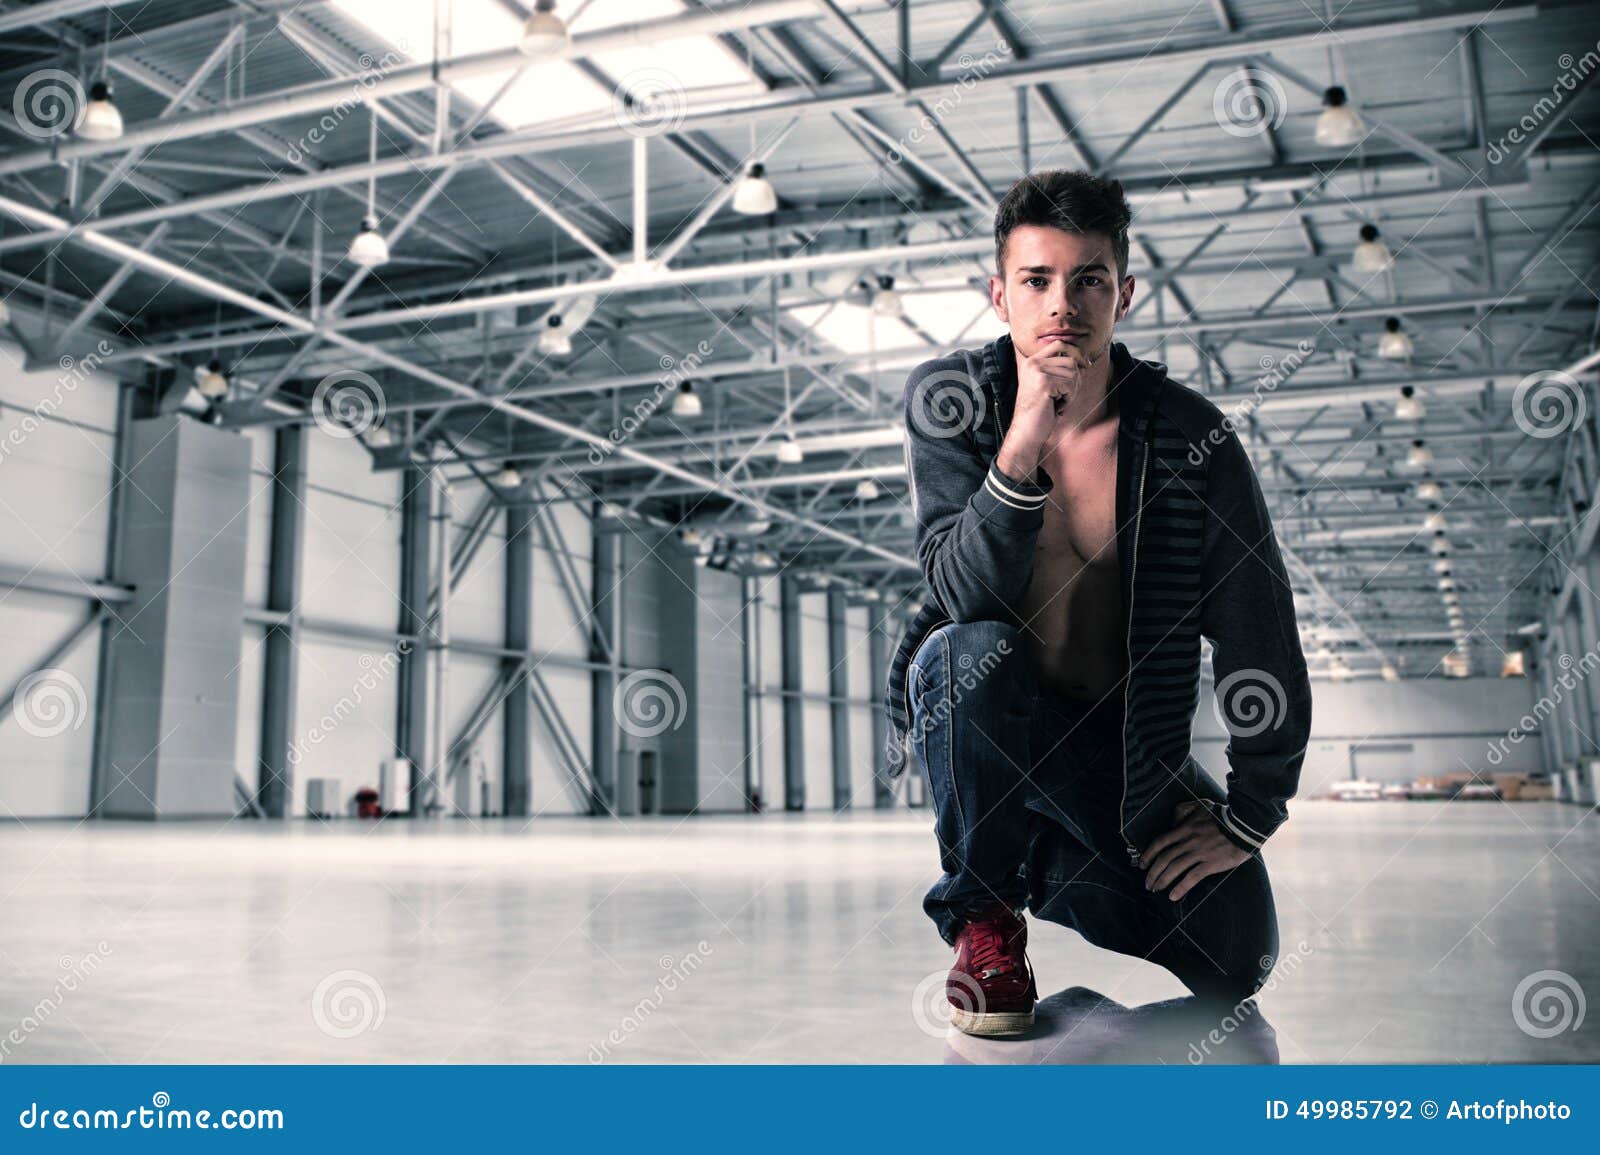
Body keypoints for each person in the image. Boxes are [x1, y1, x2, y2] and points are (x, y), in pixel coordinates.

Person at [884, 170, 1313, 1037]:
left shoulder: (1193, 438)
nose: (1062, 305)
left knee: (1241, 960)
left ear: (1125, 291)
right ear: (998, 295)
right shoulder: (952, 402)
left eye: (1088, 279)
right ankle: (986, 913)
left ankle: (1046, 859)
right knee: (969, 652)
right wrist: (1026, 437)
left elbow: (1255, 623)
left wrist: (1251, 809)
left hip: (1122, 763)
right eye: (1037, 280)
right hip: (986, 721)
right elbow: (960, 592)